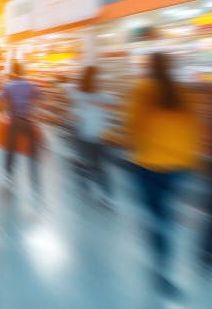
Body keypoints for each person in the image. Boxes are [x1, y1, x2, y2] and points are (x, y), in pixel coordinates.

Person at [123, 52, 202, 296]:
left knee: (156, 215)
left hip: (148, 164)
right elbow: (194, 128)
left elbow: (133, 126)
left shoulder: (143, 90)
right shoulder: (183, 92)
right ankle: (164, 264)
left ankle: (160, 258)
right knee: (166, 214)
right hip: (180, 166)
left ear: (149, 67)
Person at [67, 66, 115, 206]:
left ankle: (105, 194)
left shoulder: (102, 97)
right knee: (92, 164)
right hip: (85, 134)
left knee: (98, 165)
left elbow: (110, 112)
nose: (99, 80)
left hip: (98, 136)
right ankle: (91, 189)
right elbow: (74, 114)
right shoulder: (81, 95)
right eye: (96, 77)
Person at [1, 62, 41, 195]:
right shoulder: (30, 85)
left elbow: (1, 100)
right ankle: (34, 175)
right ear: (23, 71)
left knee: (10, 148)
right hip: (28, 120)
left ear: (13, 71)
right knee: (33, 149)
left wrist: (5, 111)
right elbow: (39, 97)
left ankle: (9, 175)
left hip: (14, 121)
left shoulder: (8, 86)